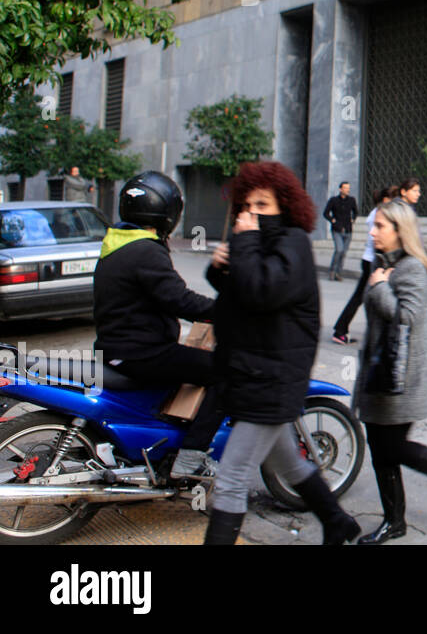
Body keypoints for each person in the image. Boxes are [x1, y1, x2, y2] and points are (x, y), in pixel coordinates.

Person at [203, 161, 359, 545]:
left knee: (231, 480)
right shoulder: (257, 243)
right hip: (252, 373)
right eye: (248, 204)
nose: (252, 212)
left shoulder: (291, 243)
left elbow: (262, 290)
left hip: (272, 379)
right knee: (289, 462)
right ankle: (338, 522)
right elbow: (235, 296)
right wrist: (219, 267)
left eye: (263, 205)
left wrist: (242, 244)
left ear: (283, 206)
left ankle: (338, 522)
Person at [93, 171, 221, 479]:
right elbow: (181, 301)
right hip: (142, 353)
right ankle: (192, 456)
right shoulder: (146, 250)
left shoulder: (118, 243)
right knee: (227, 371)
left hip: (115, 349)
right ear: (167, 214)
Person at [353, 199, 427, 544]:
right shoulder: (386, 263)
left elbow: (408, 316)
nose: (372, 231)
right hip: (381, 374)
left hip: (401, 379)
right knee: (382, 449)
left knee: (391, 449)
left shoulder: (411, 268)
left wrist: (379, 287)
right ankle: (393, 521)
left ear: (401, 231)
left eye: (381, 226)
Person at [332, 185, 397, 344]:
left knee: (365, 297)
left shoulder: (376, 213)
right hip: (372, 260)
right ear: (385, 200)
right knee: (368, 297)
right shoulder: (378, 214)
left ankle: (342, 329)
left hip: (370, 259)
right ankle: (343, 330)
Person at [323, 181, 359, 281]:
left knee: (343, 252)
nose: (348, 190)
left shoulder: (351, 200)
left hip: (348, 230)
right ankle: (332, 271)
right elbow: (325, 213)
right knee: (339, 249)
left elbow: (356, 212)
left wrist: (353, 219)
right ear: (340, 189)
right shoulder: (333, 200)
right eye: (346, 188)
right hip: (337, 230)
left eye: (348, 188)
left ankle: (338, 273)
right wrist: (332, 220)